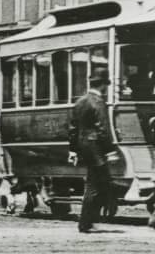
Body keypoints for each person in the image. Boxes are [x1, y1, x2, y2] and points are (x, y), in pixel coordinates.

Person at [69, 68, 117, 233]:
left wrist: (73, 150)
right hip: (96, 147)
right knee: (98, 185)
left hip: (84, 146)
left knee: (93, 183)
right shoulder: (97, 101)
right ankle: (87, 221)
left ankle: (88, 221)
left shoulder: (80, 101)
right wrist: (110, 151)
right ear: (103, 85)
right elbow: (103, 128)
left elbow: (73, 128)